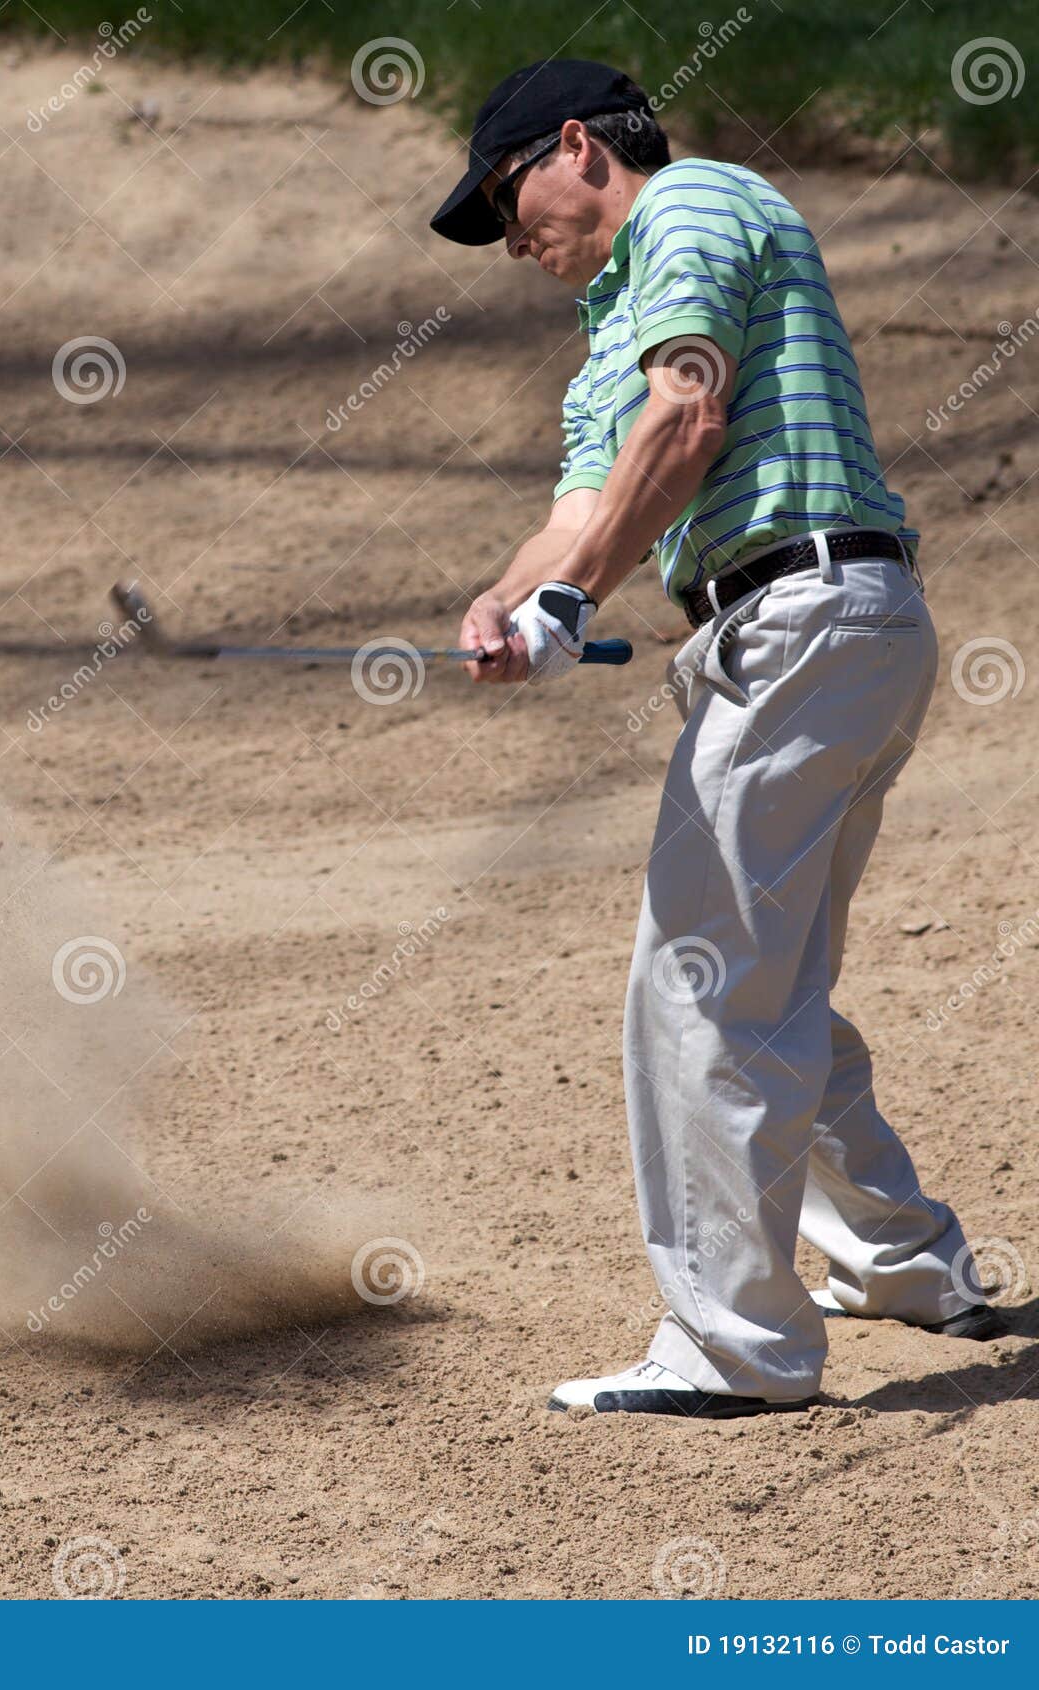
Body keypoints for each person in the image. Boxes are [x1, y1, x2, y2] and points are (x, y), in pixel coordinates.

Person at [430, 59, 1002, 1418]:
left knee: (698, 985)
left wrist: (573, 598)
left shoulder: (690, 207)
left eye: (511, 201)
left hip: (801, 617)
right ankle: (909, 1263)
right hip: (827, 632)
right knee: (768, 974)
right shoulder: (609, 335)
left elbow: (689, 410)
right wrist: (509, 602)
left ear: (578, 147)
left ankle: (733, 1348)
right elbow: (587, 508)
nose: (515, 239)